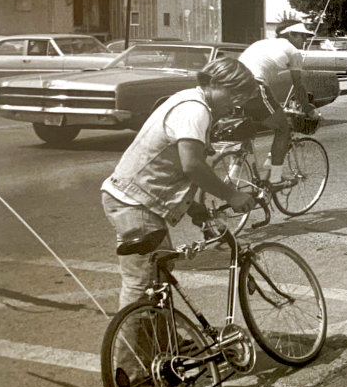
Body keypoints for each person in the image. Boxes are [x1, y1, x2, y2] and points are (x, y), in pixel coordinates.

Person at [101, 56, 260, 310]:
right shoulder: (194, 110)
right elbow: (193, 165)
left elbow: (177, 168)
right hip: (135, 201)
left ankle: (165, 345)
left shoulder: (193, 103)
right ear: (215, 84)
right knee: (142, 284)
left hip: (140, 197)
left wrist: (194, 209)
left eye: (241, 100)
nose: (236, 106)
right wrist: (232, 195)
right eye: (234, 96)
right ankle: (130, 351)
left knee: (159, 278)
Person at [238, 23, 315, 184]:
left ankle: (234, 167)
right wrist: (308, 109)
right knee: (283, 128)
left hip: (231, 84)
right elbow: (298, 85)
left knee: (247, 128)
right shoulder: (293, 52)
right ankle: (275, 177)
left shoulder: (261, 43)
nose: (305, 40)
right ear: (291, 35)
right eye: (302, 36)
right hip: (252, 86)